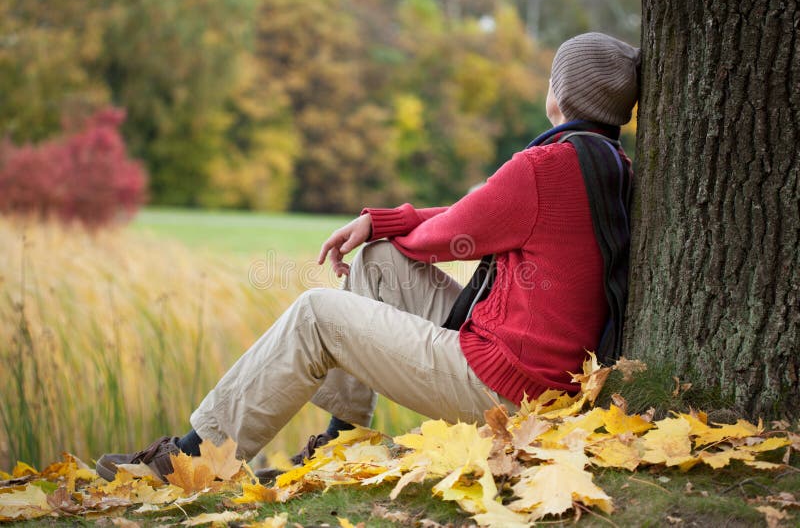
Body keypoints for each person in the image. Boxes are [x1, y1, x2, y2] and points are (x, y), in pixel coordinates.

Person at [96, 32, 640, 482]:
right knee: (380, 258)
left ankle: (188, 462)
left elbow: (452, 233)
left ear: (561, 92)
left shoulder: (545, 166)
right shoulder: (612, 166)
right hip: (547, 380)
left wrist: (399, 228)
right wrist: (382, 226)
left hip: (505, 386)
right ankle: (342, 441)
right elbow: (479, 216)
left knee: (316, 314)